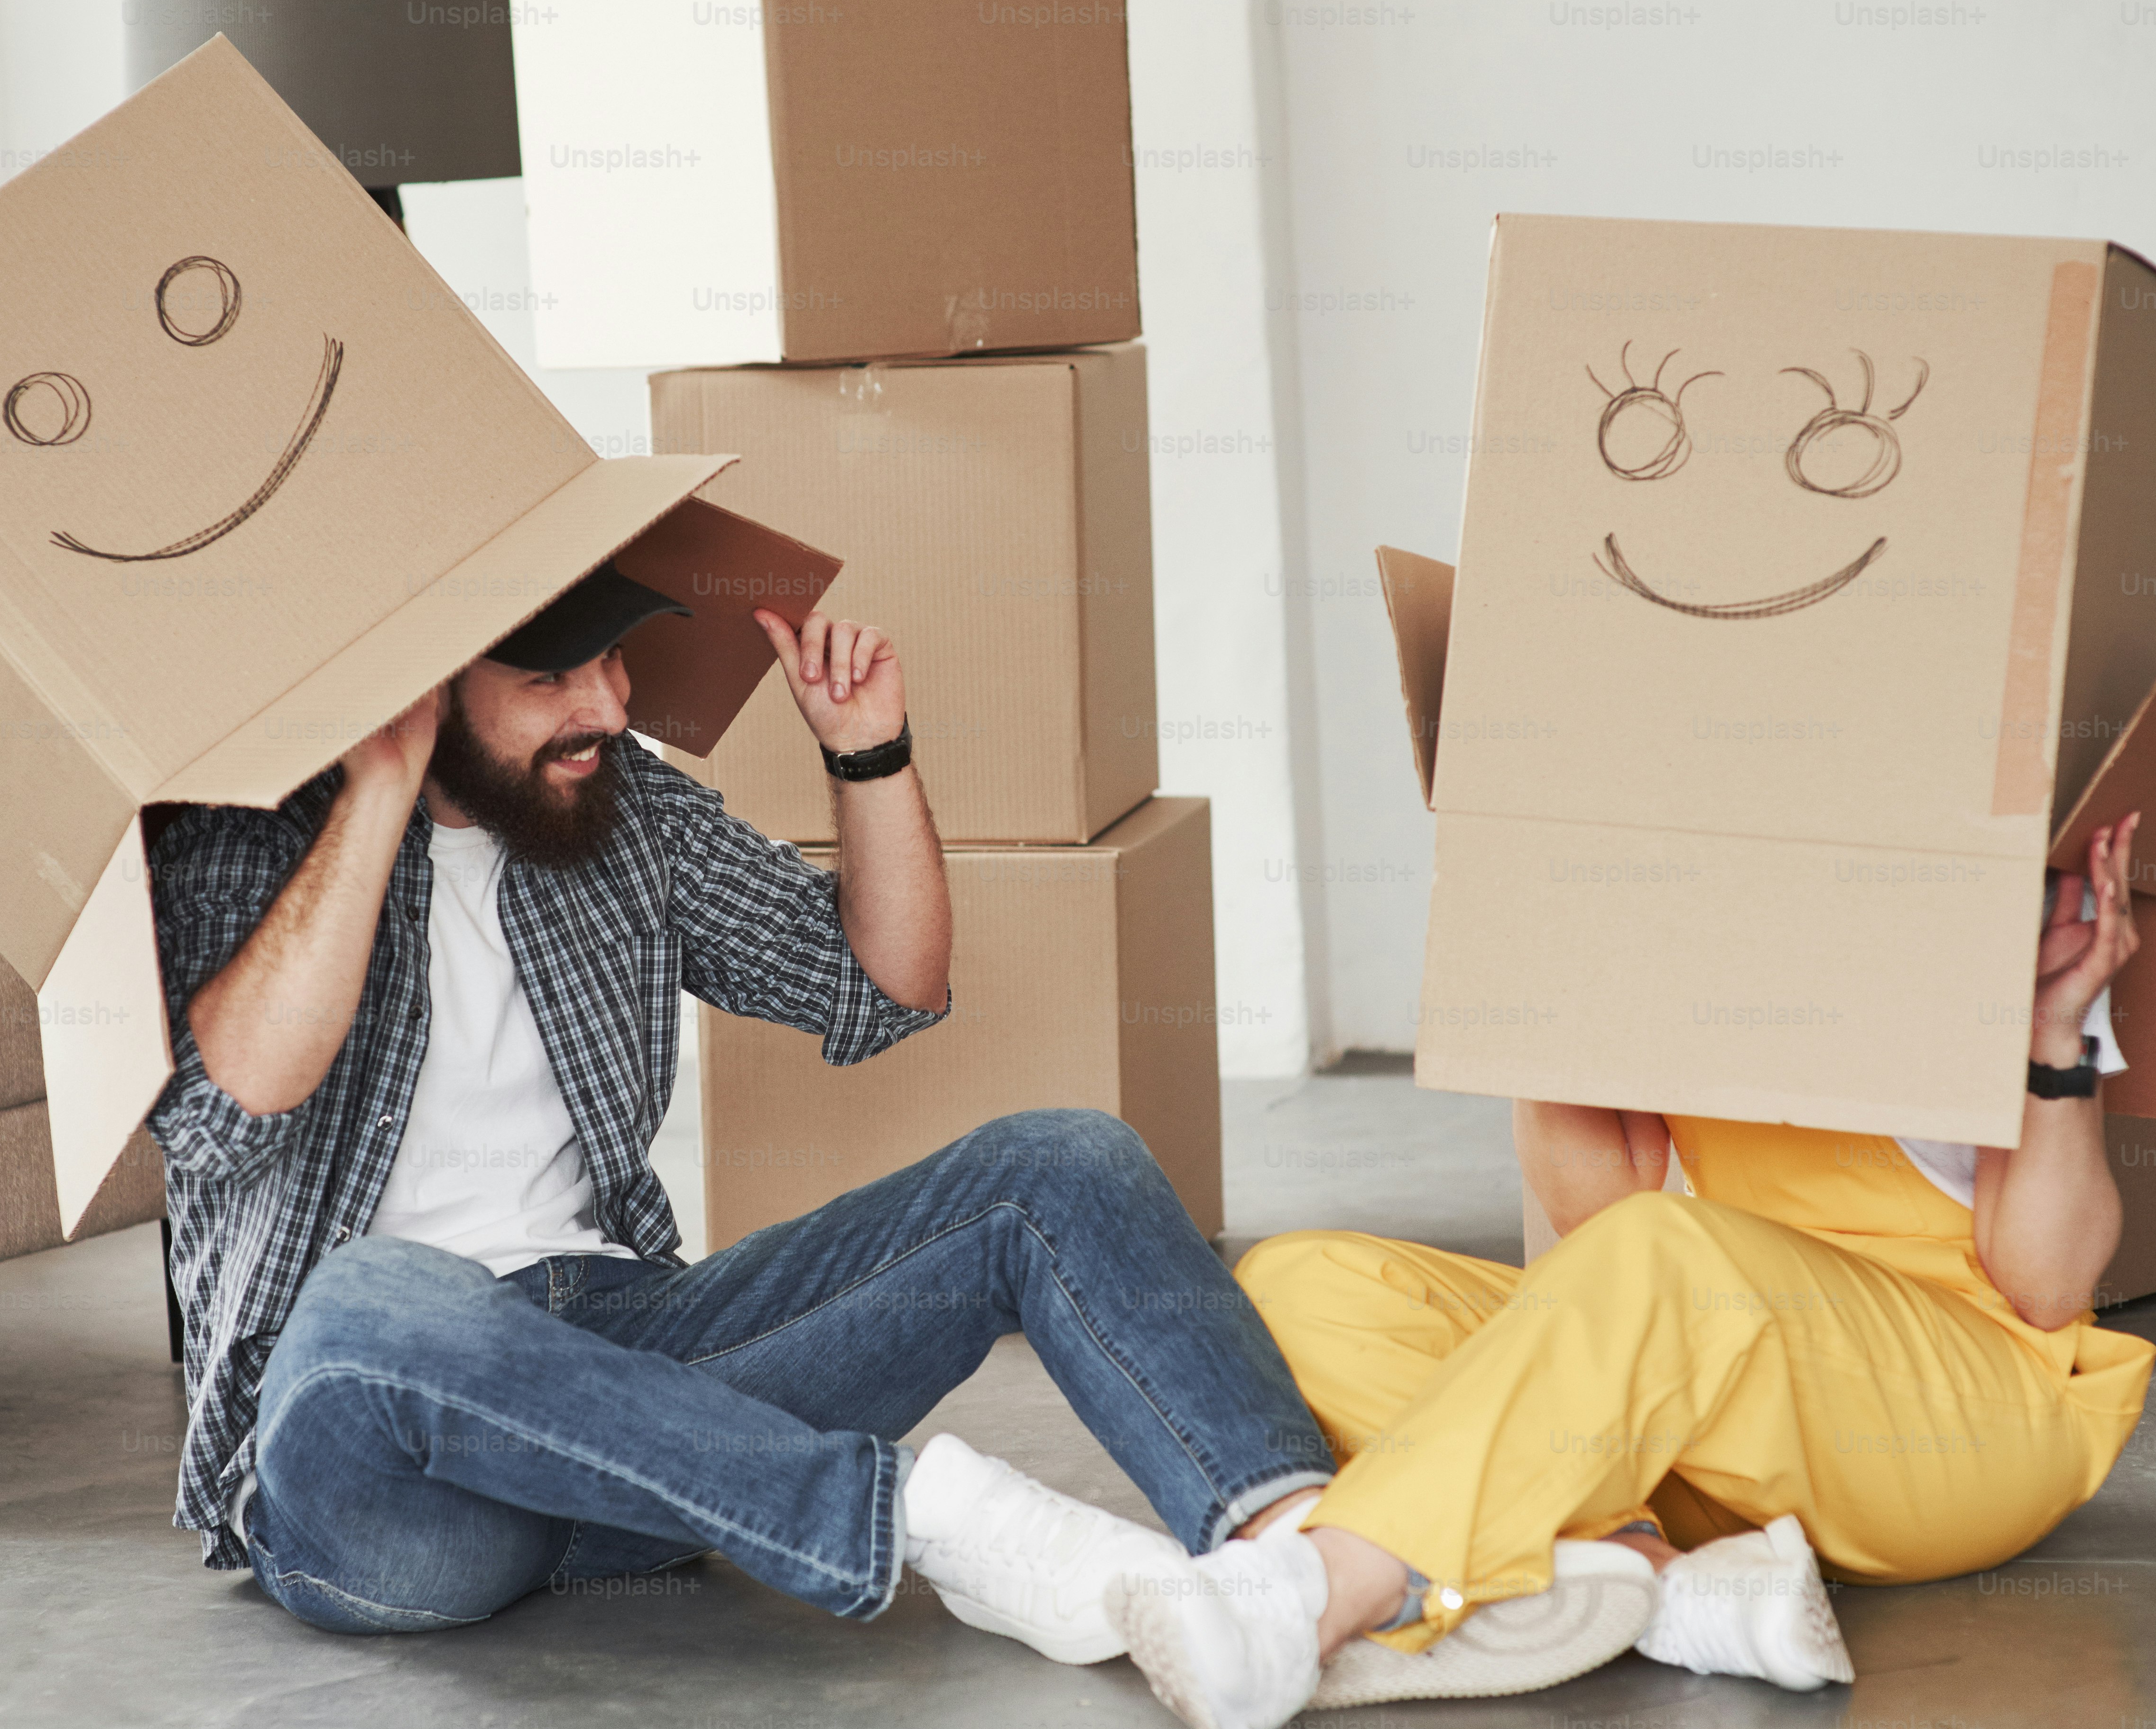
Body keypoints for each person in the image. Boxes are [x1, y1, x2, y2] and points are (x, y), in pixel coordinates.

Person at [142, 565, 1347, 1667]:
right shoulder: (246, 835)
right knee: (372, 1296)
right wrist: (377, 785)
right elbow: (217, 1117)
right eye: (550, 678)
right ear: (423, 686)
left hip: (642, 1395)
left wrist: (868, 757)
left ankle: (1308, 1574)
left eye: (613, 661)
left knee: (1061, 1162)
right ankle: (921, 1519)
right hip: (396, 1484)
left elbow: (884, 985)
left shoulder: (624, 813)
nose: (609, 707)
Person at [1096, 816, 2156, 1729]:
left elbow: (2046, 1287)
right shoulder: (1675, 877)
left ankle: (1318, 1600)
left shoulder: (1992, 896)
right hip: (1724, 1420)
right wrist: (1534, 989)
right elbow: (1600, 1217)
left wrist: (2051, 1040)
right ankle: (1654, 1574)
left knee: (1671, 1257)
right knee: (1301, 1283)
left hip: (1956, 1425)